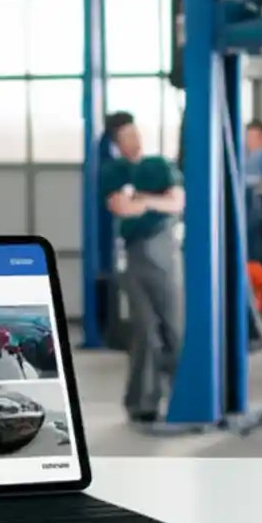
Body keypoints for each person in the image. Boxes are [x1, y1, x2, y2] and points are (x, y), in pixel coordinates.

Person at [98, 111, 186, 425]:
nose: (133, 142)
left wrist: (143, 200)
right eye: (125, 138)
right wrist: (154, 200)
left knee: (175, 330)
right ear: (116, 144)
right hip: (135, 258)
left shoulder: (159, 166)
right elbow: (120, 207)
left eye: (135, 134)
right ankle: (142, 404)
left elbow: (177, 202)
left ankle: (182, 397)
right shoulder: (112, 172)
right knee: (145, 332)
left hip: (165, 252)